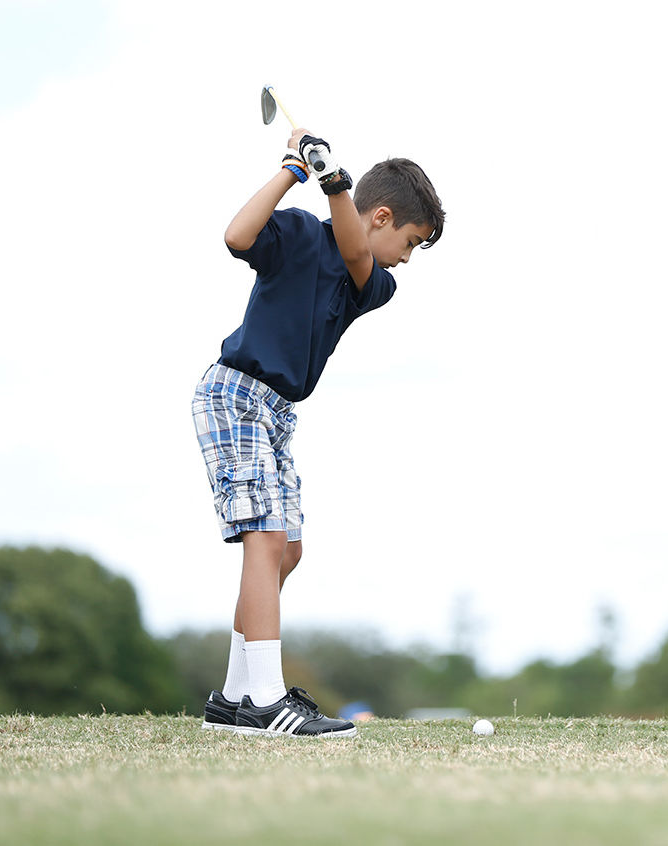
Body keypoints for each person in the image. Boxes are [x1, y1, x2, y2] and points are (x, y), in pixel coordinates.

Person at [192, 126, 444, 737]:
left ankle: (233, 698)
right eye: (409, 242)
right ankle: (264, 701)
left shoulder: (373, 281)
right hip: (236, 394)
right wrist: (292, 171)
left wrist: (336, 185)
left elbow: (357, 254)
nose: (406, 258)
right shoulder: (300, 231)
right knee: (266, 539)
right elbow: (236, 235)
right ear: (382, 216)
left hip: (278, 412)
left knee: (287, 551)